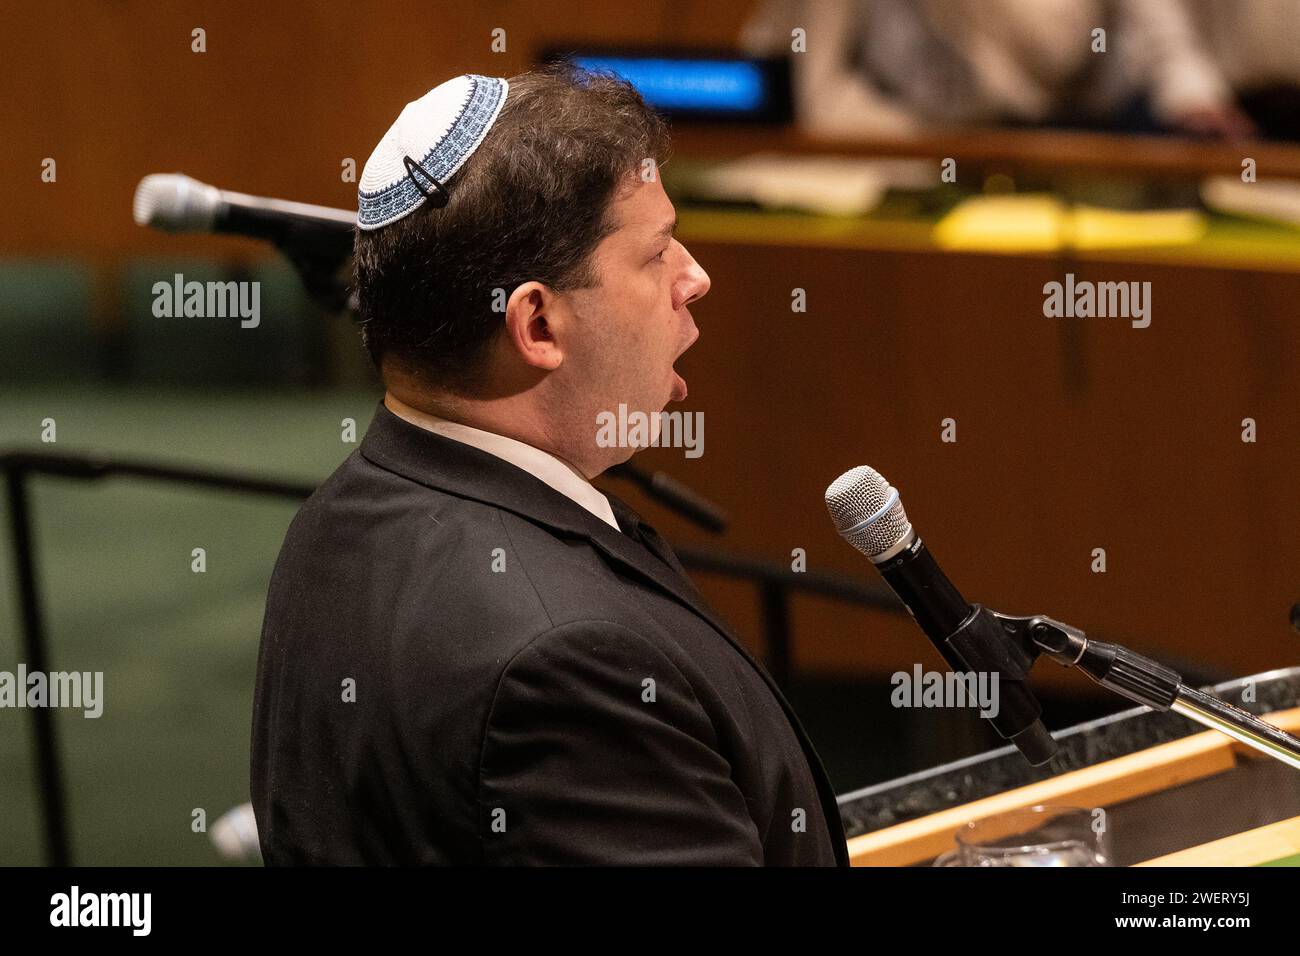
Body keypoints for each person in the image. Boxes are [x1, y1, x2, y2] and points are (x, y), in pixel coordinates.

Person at [250, 63, 849, 866]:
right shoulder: (570, 663)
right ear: (536, 323)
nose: (694, 278)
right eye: (658, 252)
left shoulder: (333, 523)